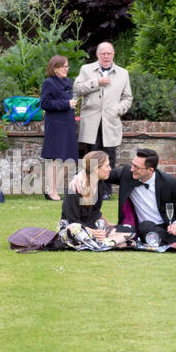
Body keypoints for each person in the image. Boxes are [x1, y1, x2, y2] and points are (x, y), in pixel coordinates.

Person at [73, 41, 132, 195]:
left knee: (109, 158)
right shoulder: (86, 69)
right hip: (91, 121)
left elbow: (127, 97)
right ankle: (92, 188)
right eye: (103, 53)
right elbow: (77, 88)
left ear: (113, 54)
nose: (106, 56)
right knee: (92, 157)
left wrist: (118, 110)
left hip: (111, 122)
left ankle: (106, 190)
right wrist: (96, 82)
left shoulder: (122, 73)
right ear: (97, 55)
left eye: (109, 53)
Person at [60, 151, 134, 247]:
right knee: (75, 230)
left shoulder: (99, 183)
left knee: (129, 228)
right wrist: (92, 232)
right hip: (76, 229)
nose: (110, 169)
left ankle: (103, 243)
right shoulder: (74, 187)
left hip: (93, 228)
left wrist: (111, 226)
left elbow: (96, 213)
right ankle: (109, 243)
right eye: (107, 166)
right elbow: (73, 220)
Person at [39, 54, 77, 201]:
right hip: (55, 125)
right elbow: (45, 104)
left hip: (68, 124)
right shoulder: (49, 83)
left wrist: (71, 104)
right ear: (55, 68)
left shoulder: (68, 81)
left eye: (67, 66)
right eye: (64, 67)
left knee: (69, 159)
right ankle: (51, 191)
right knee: (56, 159)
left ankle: (52, 188)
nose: (67, 69)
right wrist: (66, 104)